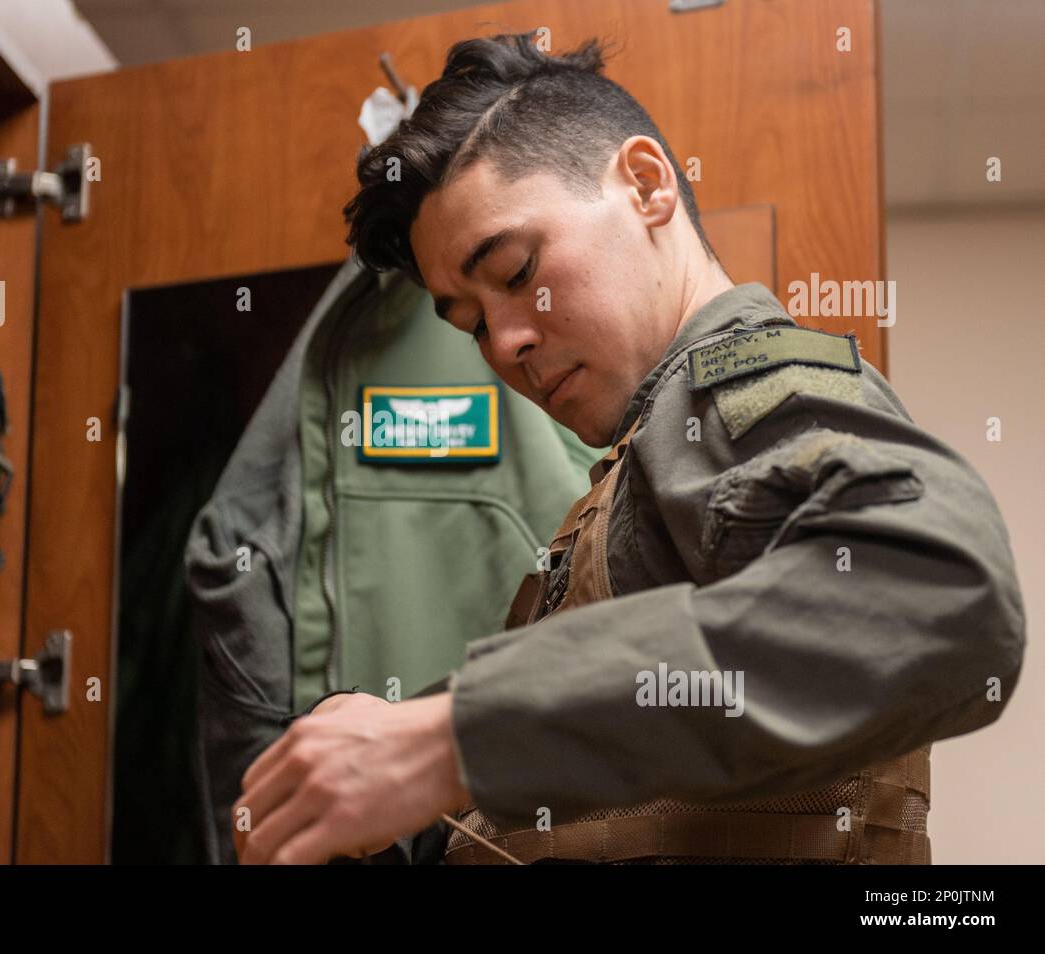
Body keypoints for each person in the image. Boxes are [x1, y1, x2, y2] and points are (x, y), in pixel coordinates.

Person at [232, 31, 1025, 865]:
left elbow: (939, 594)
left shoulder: (734, 386)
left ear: (646, 184)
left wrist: (447, 738)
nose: (503, 344)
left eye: (513, 272)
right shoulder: (647, 446)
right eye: (470, 324)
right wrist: (398, 776)